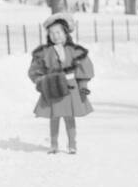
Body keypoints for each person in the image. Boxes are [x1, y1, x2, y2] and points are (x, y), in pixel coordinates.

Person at [28, 12, 95, 154]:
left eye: (58, 32)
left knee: (69, 117)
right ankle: (53, 144)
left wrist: (83, 86)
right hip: (53, 87)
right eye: (51, 33)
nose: (55, 36)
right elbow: (35, 70)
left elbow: (83, 70)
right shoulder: (45, 52)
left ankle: (72, 144)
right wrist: (41, 82)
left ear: (65, 33)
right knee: (54, 116)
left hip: (70, 89)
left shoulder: (75, 51)